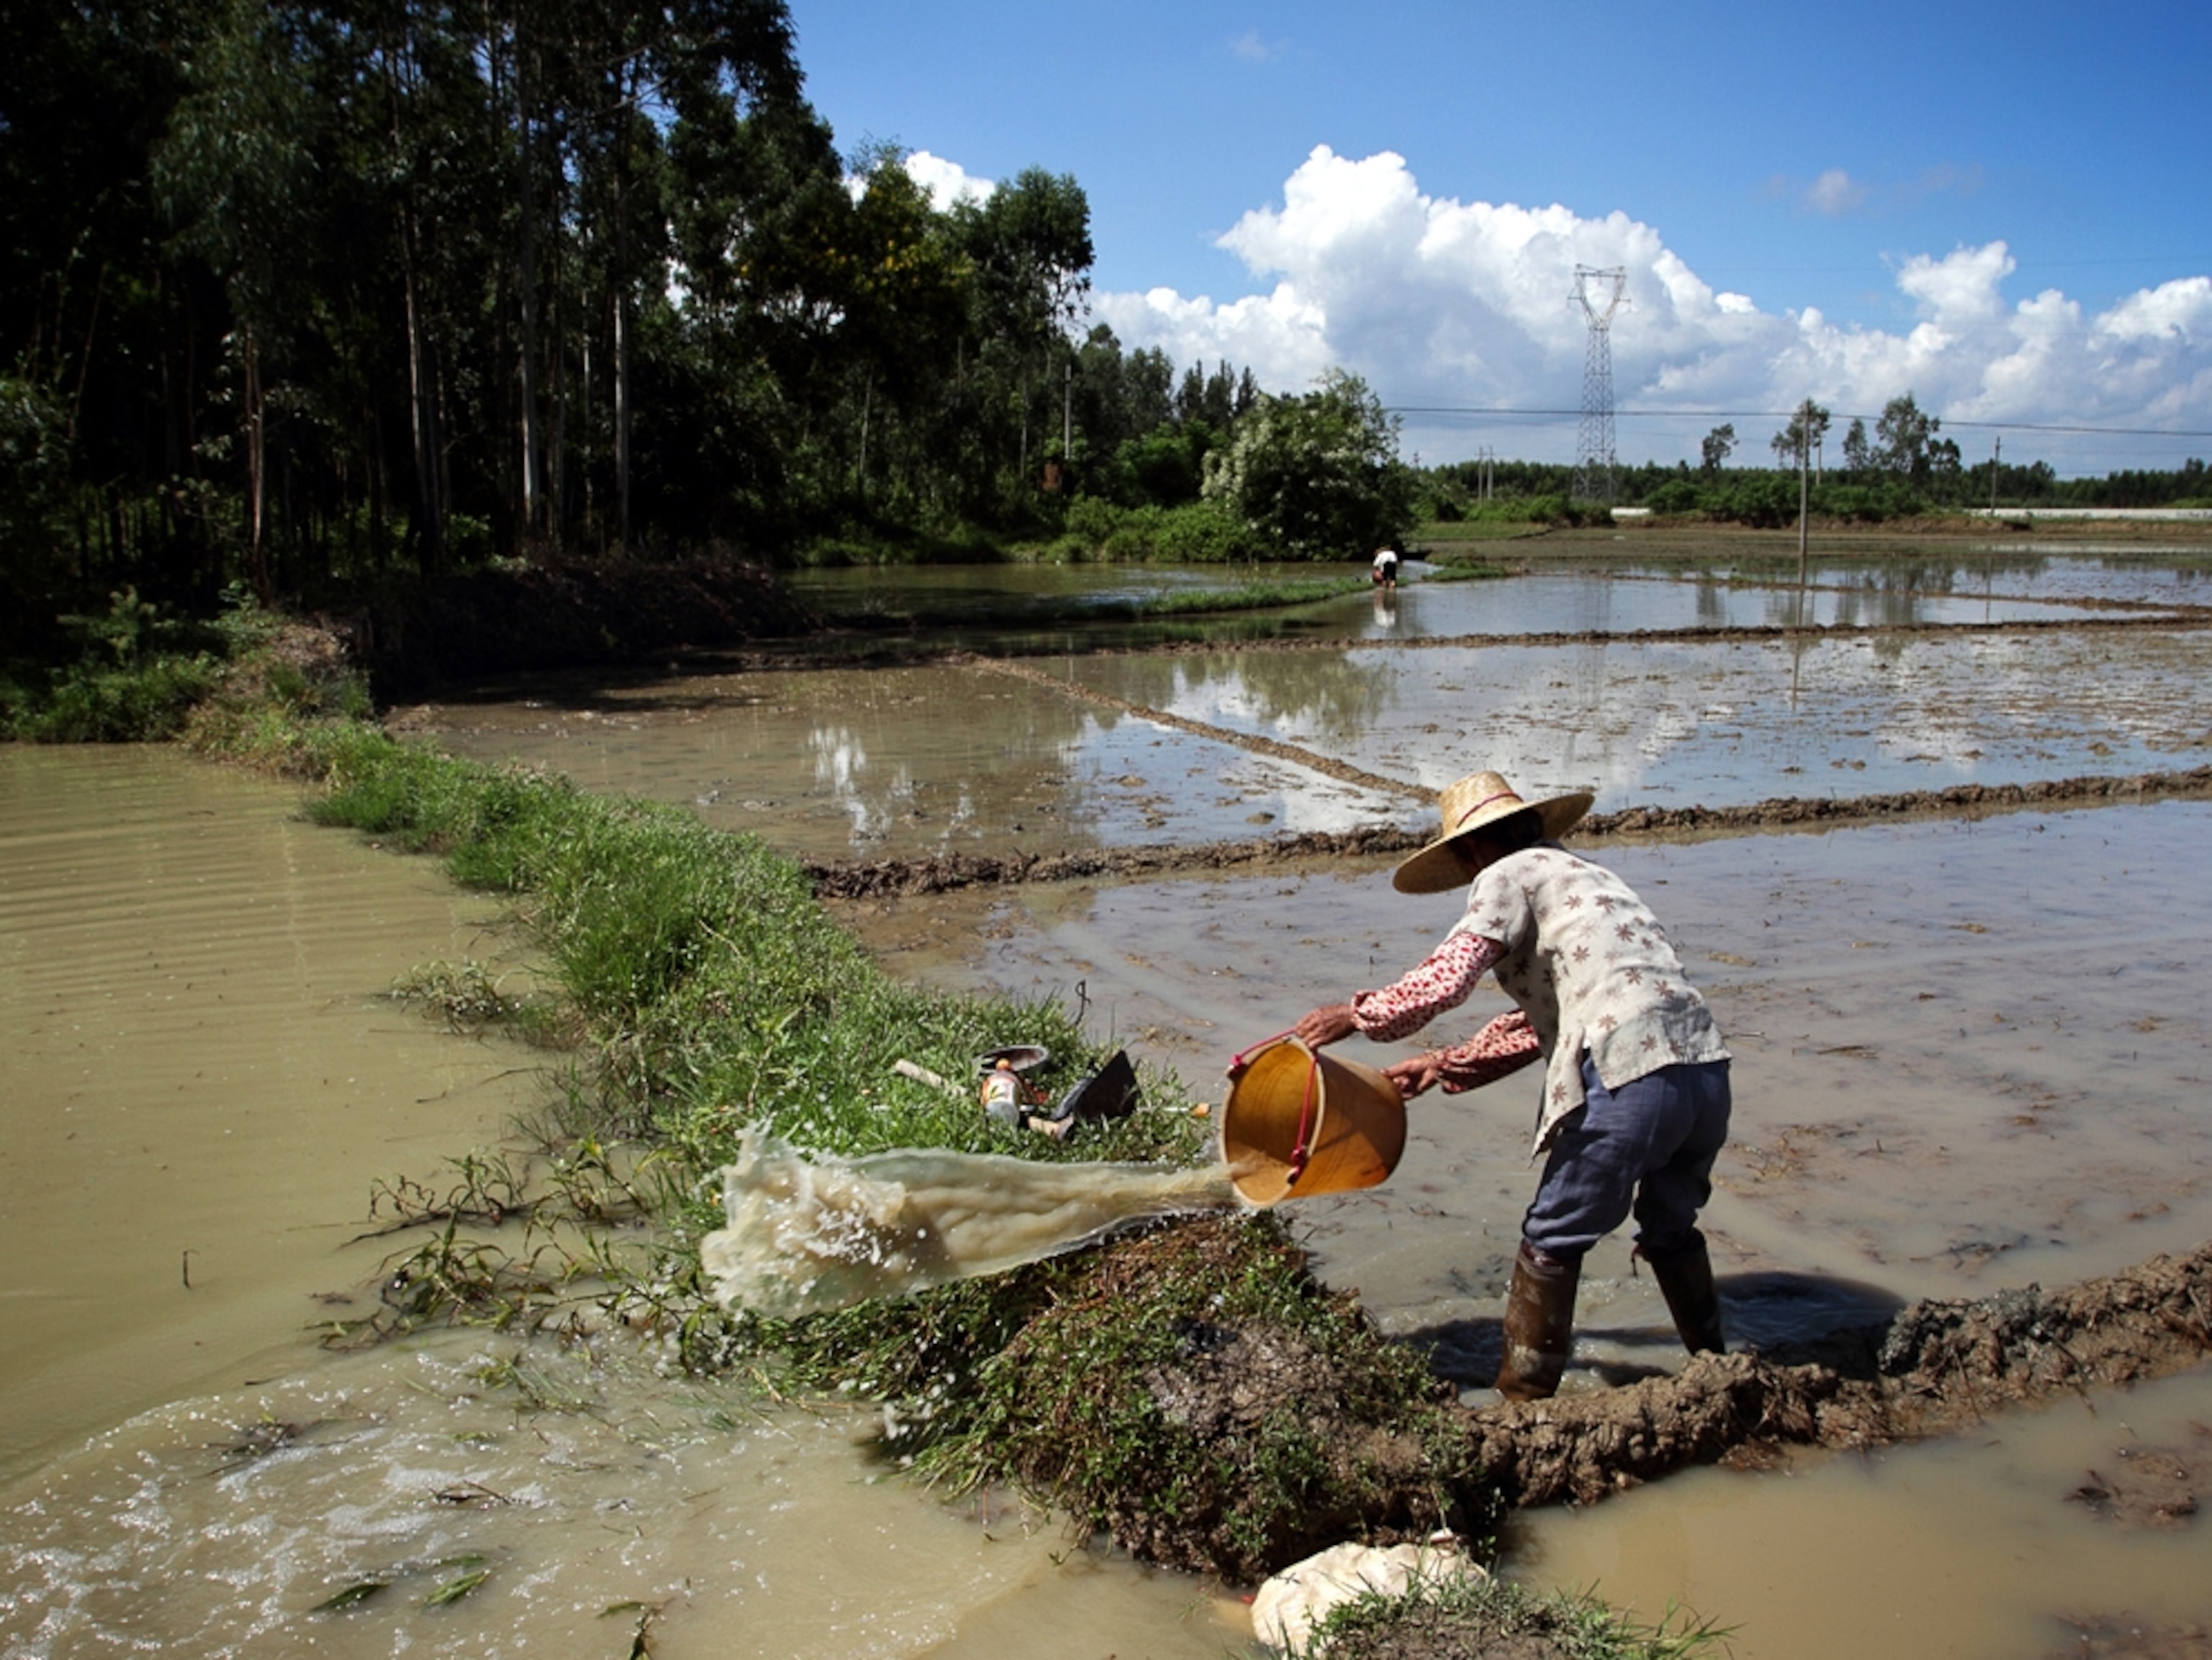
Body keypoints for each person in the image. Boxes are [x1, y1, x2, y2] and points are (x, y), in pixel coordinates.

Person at [1292, 770, 1731, 1402]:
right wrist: (1445, 1064)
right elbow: (1559, 1018)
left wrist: (1358, 1014)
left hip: (1626, 1075)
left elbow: (1449, 977)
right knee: (1669, 1225)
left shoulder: (1506, 874)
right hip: (1704, 1069)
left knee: (1552, 1235)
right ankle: (1718, 1367)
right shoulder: (1592, 878)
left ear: (1471, 849)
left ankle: (1523, 1406)